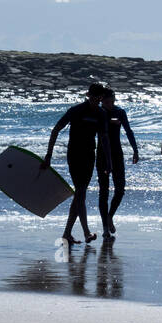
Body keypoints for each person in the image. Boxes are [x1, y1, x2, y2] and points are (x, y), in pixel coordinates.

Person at [43, 83, 110, 245]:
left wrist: (109, 161)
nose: (96, 100)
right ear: (89, 96)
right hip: (74, 155)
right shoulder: (76, 110)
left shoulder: (101, 114)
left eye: (98, 97)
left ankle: (67, 233)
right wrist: (49, 155)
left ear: (101, 97)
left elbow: (104, 138)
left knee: (80, 194)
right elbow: (55, 130)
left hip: (89, 156)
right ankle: (87, 232)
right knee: (80, 191)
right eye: (93, 97)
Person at [97, 87, 139, 239]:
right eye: (106, 102)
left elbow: (128, 131)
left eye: (112, 101)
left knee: (120, 189)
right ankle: (105, 227)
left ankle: (110, 216)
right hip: (101, 155)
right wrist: (109, 121)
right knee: (104, 191)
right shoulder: (98, 112)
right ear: (102, 101)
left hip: (117, 154)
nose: (109, 104)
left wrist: (135, 150)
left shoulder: (120, 112)